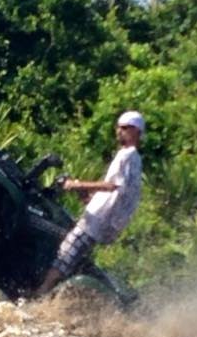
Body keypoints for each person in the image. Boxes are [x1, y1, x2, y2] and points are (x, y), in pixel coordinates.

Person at [35, 110, 144, 297]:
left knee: (64, 254)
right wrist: (85, 195)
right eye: (119, 127)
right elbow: (117, 194)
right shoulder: (129, 157)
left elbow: (112, 186)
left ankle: (40, 294)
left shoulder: (128, 156)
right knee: (73, 256)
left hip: (96, 222)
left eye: (126, 128)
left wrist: (75, 184)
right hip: (99, 219)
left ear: (137, 132)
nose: (119, 131)